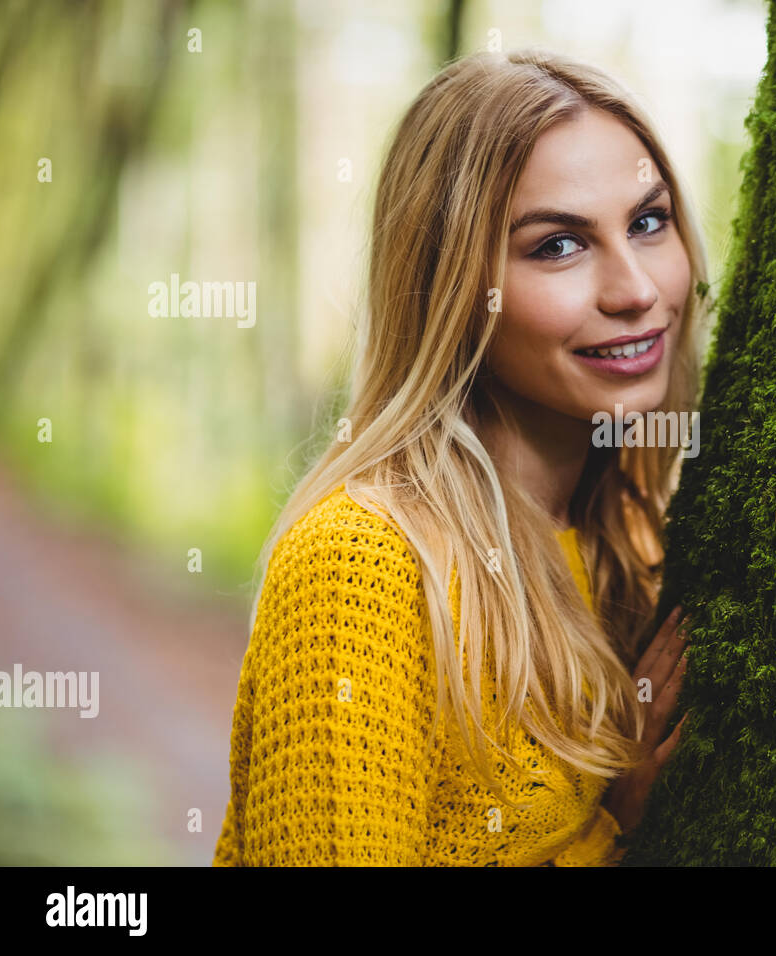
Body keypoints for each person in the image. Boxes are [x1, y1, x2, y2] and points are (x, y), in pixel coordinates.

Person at [212, 47, 711, 866]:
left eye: (648, 222)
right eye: (558, 246)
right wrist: (613, 830)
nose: (635, 288)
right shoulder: (364, 567)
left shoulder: (634, 549)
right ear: (452, 286)